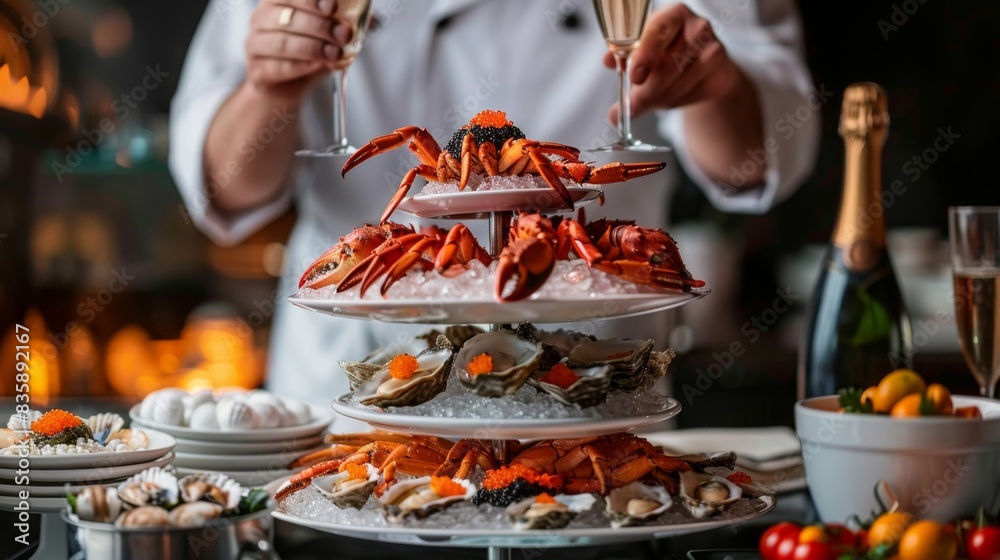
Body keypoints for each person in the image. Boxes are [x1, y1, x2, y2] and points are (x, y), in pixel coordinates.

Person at [170, 0, 819, 416]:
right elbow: (221, 189)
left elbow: (760, 157)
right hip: (350, 398)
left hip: (589, 398)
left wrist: (713, 85)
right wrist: (267, 88)